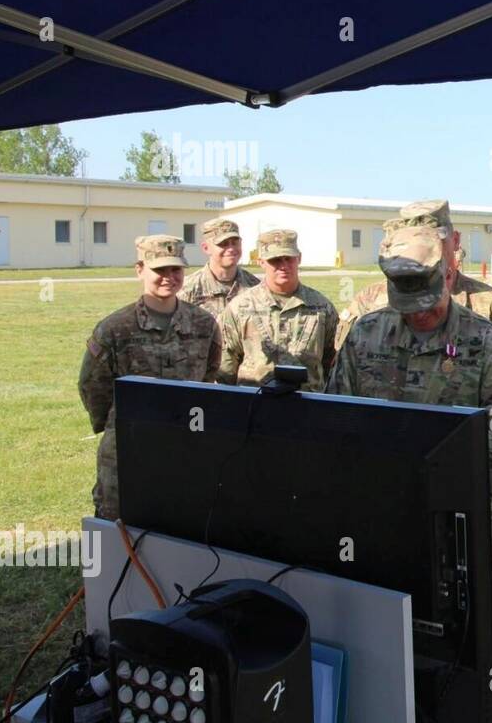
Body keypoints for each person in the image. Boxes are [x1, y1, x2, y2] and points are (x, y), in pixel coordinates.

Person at [326, 226, 492, 601]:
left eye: (428, 302)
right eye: (408, 305)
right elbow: (337, 417)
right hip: (378, 512)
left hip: (457, 517)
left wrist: (457, 492)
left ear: (447, 276)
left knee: (465, 629)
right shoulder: (365, 335)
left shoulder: (484, 342)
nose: (419, 315)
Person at [78, 235, 222, 520]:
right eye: (160, 270)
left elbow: (208, 376)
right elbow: (93, 387)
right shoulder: (115, 328)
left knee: (181, 520)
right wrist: (115, 422)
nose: (168, 277)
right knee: (117, 523)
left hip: (184, 445)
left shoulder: (204, 325)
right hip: (127, 447)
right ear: (140, 269)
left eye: (175, 270)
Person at [334, 200, 492, 353]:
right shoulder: (369, 301)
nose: (427, 250)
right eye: (417, 243)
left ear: (455, 240)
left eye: (436, 240)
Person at [216, 229, 338, 390]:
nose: (283, 266)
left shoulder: (322, 308)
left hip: (307, 404)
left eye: (288, 258)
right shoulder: (240, 307)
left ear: (299, 258)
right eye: (275, 260)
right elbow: (226, 367)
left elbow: (331, 362)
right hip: (253, 403)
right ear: (261, 262)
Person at [178, 217, 260, 315]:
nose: (231, 249)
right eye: (223, 244)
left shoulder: (255, 286)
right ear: (206, 248)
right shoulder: (188, 290)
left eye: (235, 243)